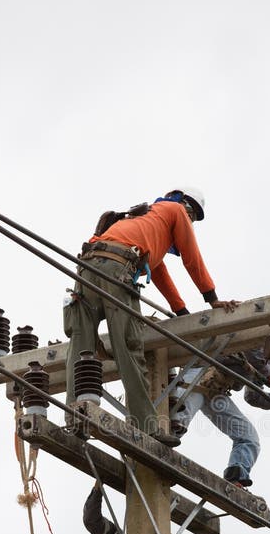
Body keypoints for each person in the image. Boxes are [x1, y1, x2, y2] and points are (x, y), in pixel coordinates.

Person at [63, 187, 238, 446]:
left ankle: (74, 417)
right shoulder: (174, 210)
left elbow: (160, 276)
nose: (190, 223)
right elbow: (192, 258)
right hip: (117, 269)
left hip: (86, 269)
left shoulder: (141, 226)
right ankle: (147, 426)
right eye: (193, 218)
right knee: (129, 347)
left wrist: (182, 313)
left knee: (80, 347)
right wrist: (212, 299)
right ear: (185, 206)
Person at [170, 348, 270, 488]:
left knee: (249, 438)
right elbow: (251, 353)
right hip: (200, 373)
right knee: (178, 417)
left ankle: (236, 478)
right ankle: (161, 447)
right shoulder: (260, 336)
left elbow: (253, 396)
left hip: (216, 390)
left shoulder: (267, 361)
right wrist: (268, 376)